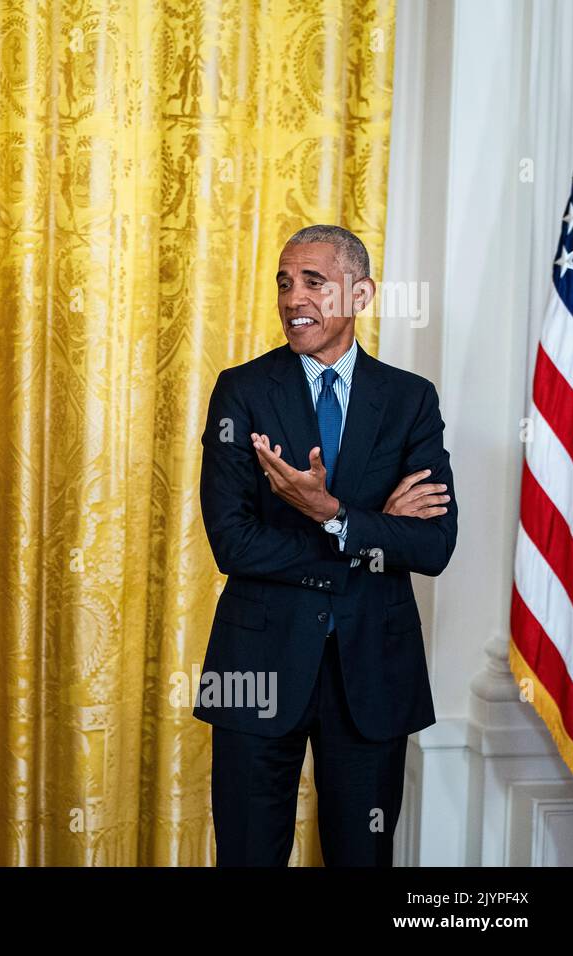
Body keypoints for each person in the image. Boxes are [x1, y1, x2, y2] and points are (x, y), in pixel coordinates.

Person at [195, 225, 457, 865]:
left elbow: (433, 546)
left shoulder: (410, 400)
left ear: (361, 292)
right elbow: (233, 543)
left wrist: (331, 512)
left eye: (313, 281)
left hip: (373, 669)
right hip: (256, 668)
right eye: (284, 282)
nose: (293, 298)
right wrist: (365, 528)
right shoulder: (243, 391)